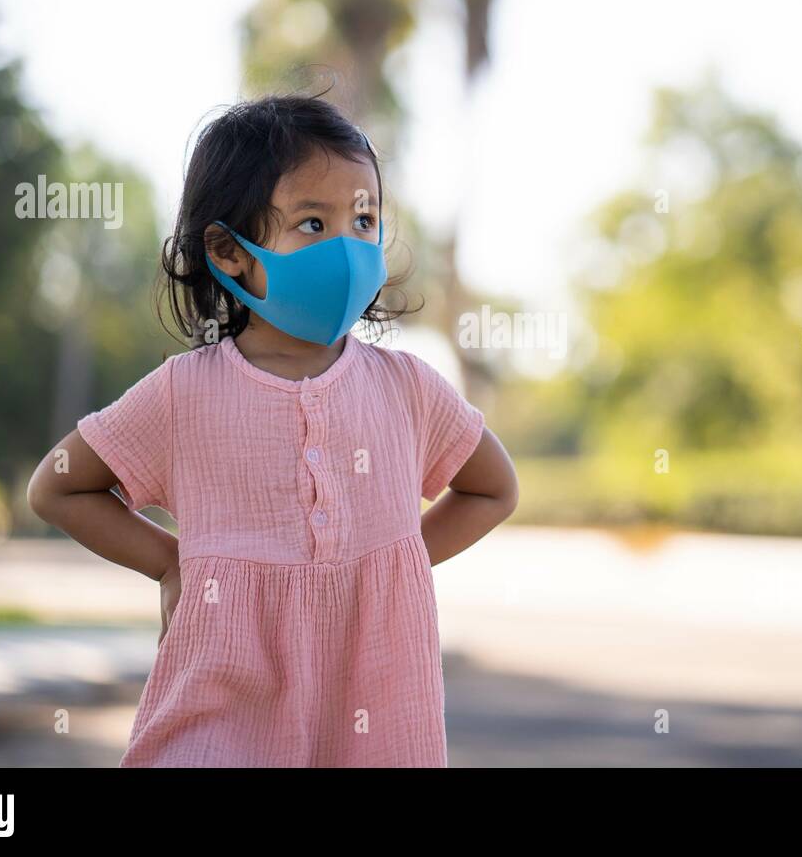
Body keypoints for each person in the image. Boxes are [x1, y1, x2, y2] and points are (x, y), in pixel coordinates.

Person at [27, 92, 519, 766]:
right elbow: (57, 488)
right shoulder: (184, 392)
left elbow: (494, 489)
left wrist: (392, 563)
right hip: (215, 729)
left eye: (364, 218)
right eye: (314, 224)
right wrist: (169, 563)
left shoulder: (407, 389)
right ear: (229, 251)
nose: (348, 247)